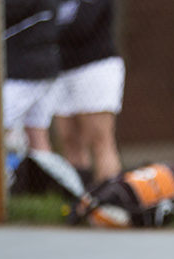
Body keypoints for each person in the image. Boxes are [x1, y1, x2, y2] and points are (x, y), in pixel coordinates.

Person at [50, 0, 124, 187]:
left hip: (94, 66)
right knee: (69, 140)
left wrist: (44, 34)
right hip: (62, 70)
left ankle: (109, 202)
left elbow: (82, 25)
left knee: (99, 140)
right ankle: (80, 200)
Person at [0, 0, 61, 159]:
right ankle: (45, 183)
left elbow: (4, 10)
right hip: (45, 70)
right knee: (37, 136)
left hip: (22, 75)